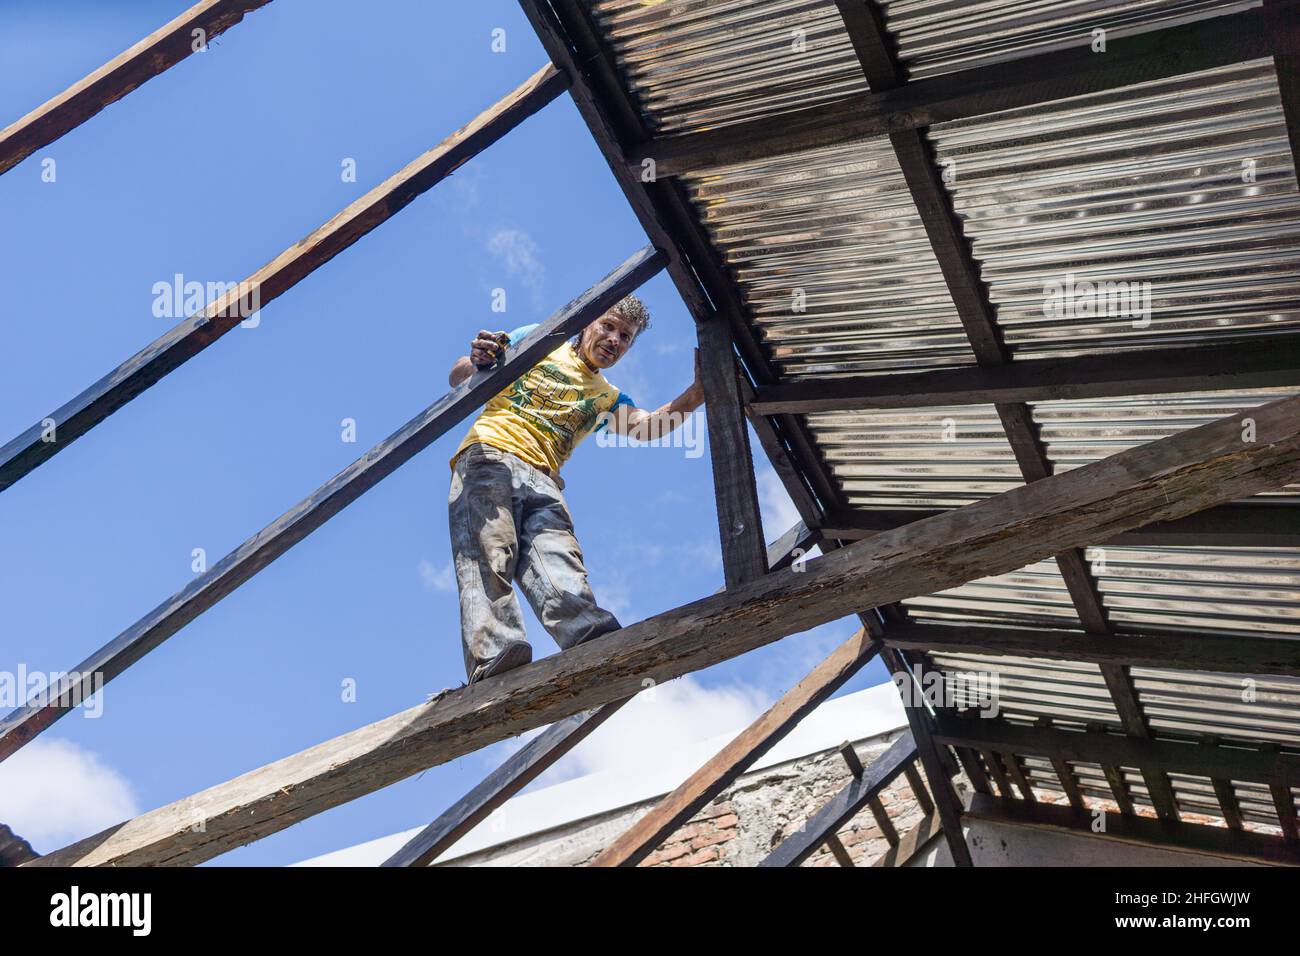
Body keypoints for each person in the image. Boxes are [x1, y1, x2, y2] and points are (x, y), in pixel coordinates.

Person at [445, 294, 703, 684]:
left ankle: (589, 637)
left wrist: (698, 393)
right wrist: (482, 360)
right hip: (490, 456)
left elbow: (648, 426)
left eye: (626, 336)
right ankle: (496, 652)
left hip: (544, 480)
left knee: (559, 563)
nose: (615, 339)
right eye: (609, 326)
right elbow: (459, 375)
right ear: (587, 325)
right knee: (489, 553)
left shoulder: (608, 396)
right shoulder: (540, 338)